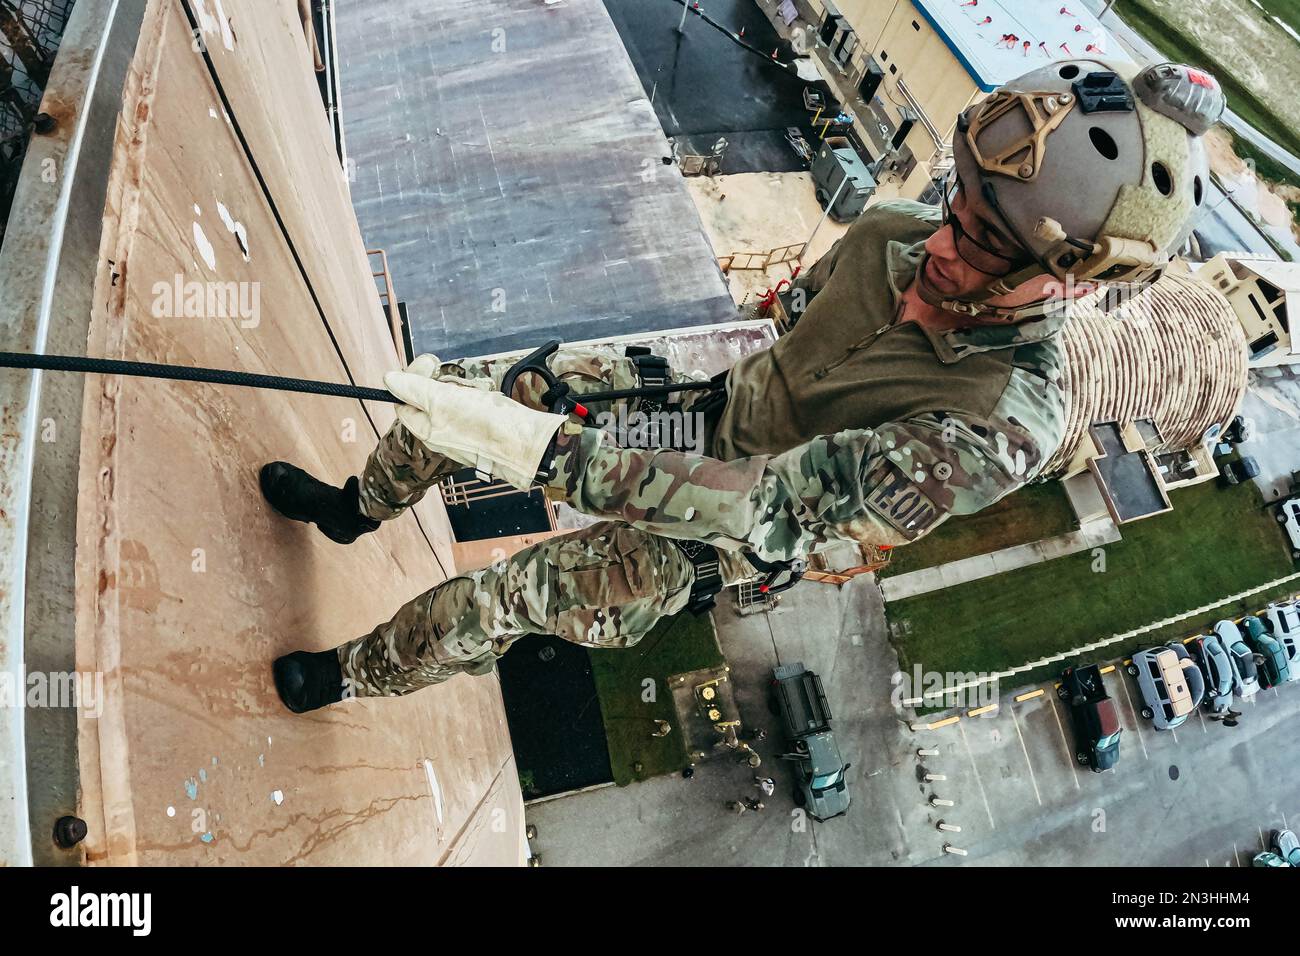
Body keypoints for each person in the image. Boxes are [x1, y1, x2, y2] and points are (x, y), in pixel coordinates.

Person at [262, 61, 1224, 712]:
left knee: (503, 598)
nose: (936, 239)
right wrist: (535, 416)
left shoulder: (997, 425)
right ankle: (356, 509)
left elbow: (765, 507)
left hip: (738, 532)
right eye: (955, 202)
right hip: (713, 415)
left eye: (975, 241)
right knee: (486, 392)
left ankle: (355, 675)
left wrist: (543, 454)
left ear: (1061, 281)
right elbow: (795, 317)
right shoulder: (895, 231)